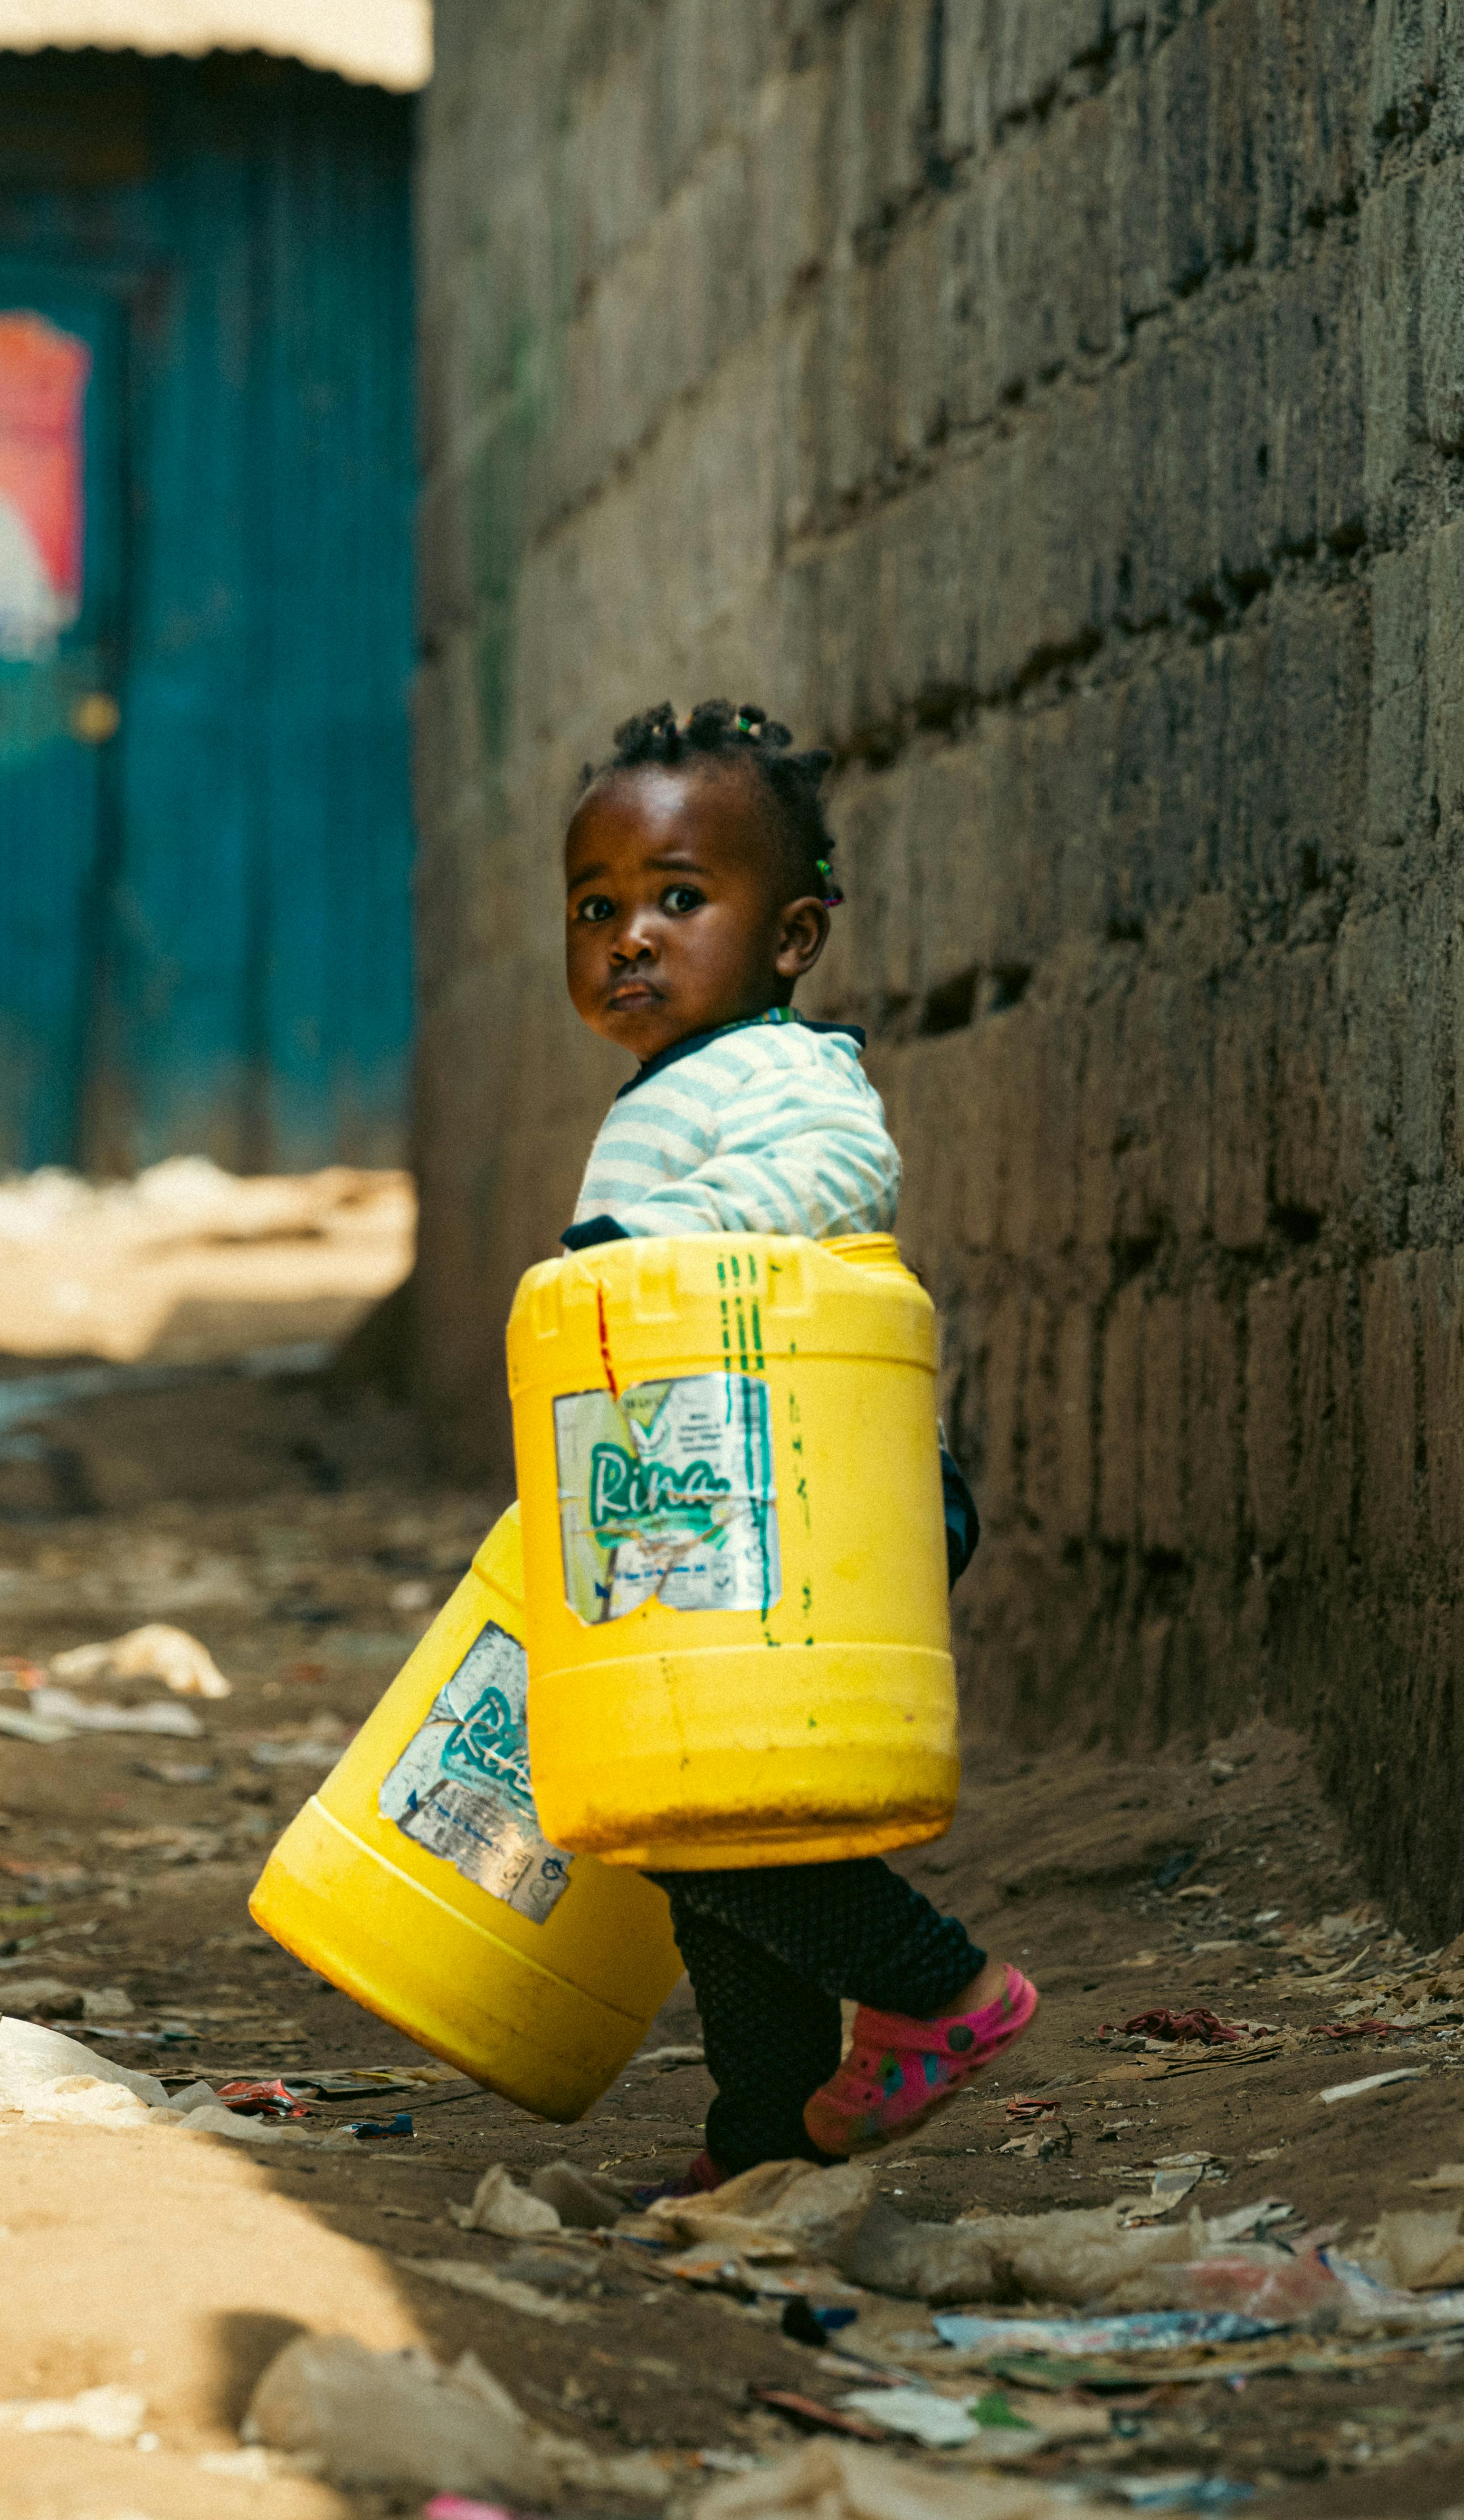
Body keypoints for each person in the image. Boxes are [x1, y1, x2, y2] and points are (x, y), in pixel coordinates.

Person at [552, 697, 1037, 2186]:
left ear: (792, 936)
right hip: (709, 1500)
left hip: (818, 1498)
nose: (633, 936)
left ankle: (937, 1987)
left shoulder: (783, 1072)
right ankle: (764, 2135)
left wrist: (643, 1240)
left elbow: (843, 1169)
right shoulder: (668, 1091)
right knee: (694, 1825)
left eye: (680, 900)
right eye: (599, 908)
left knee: (713, 1812)